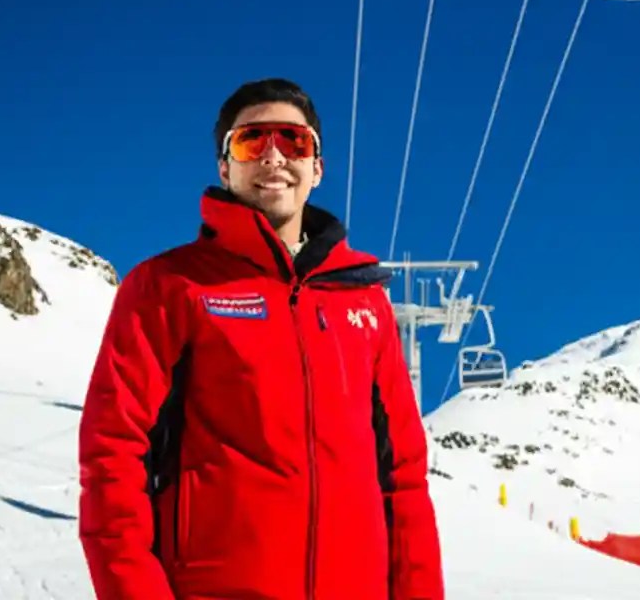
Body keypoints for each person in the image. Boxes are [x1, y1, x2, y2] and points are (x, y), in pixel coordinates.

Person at [77, 78, 445, 599]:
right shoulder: (170, 286)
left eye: (294, 142)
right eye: (252, 141)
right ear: (226, 167)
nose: (274, 156)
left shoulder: (363, 301)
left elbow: (403, 479)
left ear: (316, 167)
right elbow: (112, 457)